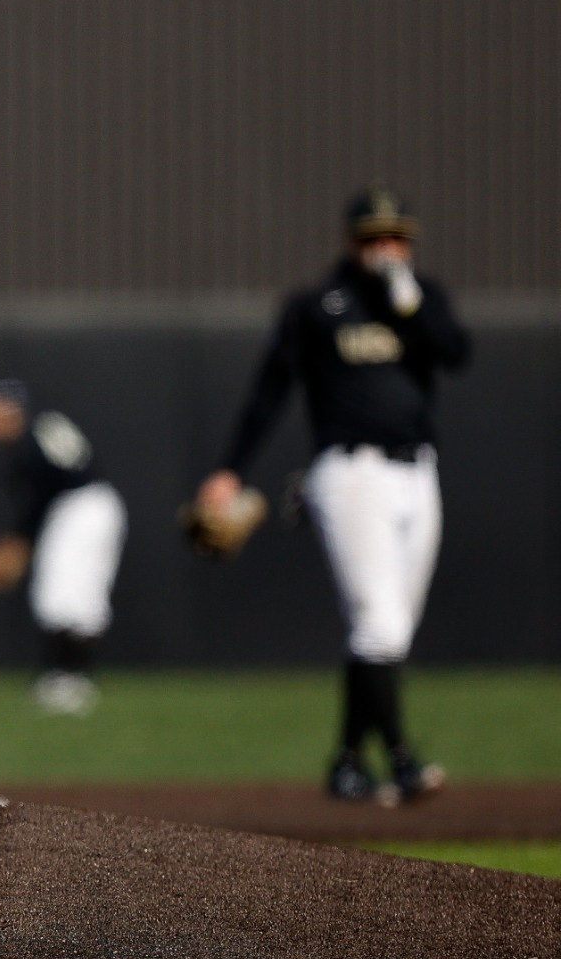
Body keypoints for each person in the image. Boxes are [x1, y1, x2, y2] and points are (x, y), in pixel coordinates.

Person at [193, 186, 470, 804]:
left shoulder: (420, 302)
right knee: (377, 621)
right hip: (350, 473)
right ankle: (400, 761)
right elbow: (270, 390)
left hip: (417, 473)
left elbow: (456, 353)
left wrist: (410, 302)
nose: (386, 247)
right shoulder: (318, 305)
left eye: (396, 236)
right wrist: (229, 470)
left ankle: (347, 762)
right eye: (374, 237)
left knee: (389, 631)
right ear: (351, 242)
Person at [0, 380, 126, 716]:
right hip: (94, 506)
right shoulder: (38, 429)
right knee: (75, 597)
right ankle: (68, 677)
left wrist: (15, 545)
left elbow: (43, 498)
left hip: (79, 508)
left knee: (63, 595)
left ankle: (69, 678)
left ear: (10, 408)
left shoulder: (25, 442)